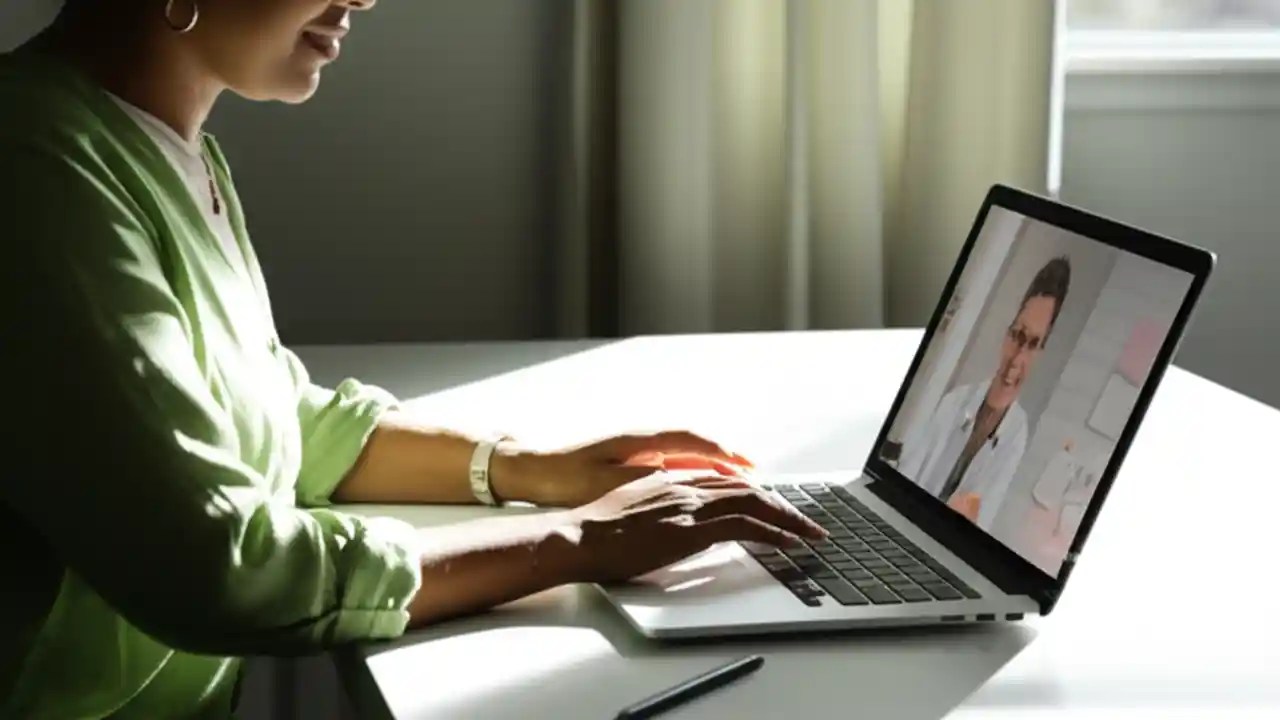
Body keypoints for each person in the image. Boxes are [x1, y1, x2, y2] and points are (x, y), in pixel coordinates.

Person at [0, 1, 827, 717]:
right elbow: (220, 569)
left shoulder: (153, 147)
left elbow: (265, 413)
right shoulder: (37, 171)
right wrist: (577, 540)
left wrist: (529, 469)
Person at [896, 256, 1072, 529]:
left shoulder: (1016, 435)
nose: (1018, 357)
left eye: (1033, 344)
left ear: (1040, 352)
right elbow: (904, 478)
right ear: (1007, 334)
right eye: (1018, 335)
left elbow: (982, 520)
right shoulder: (955, 402)